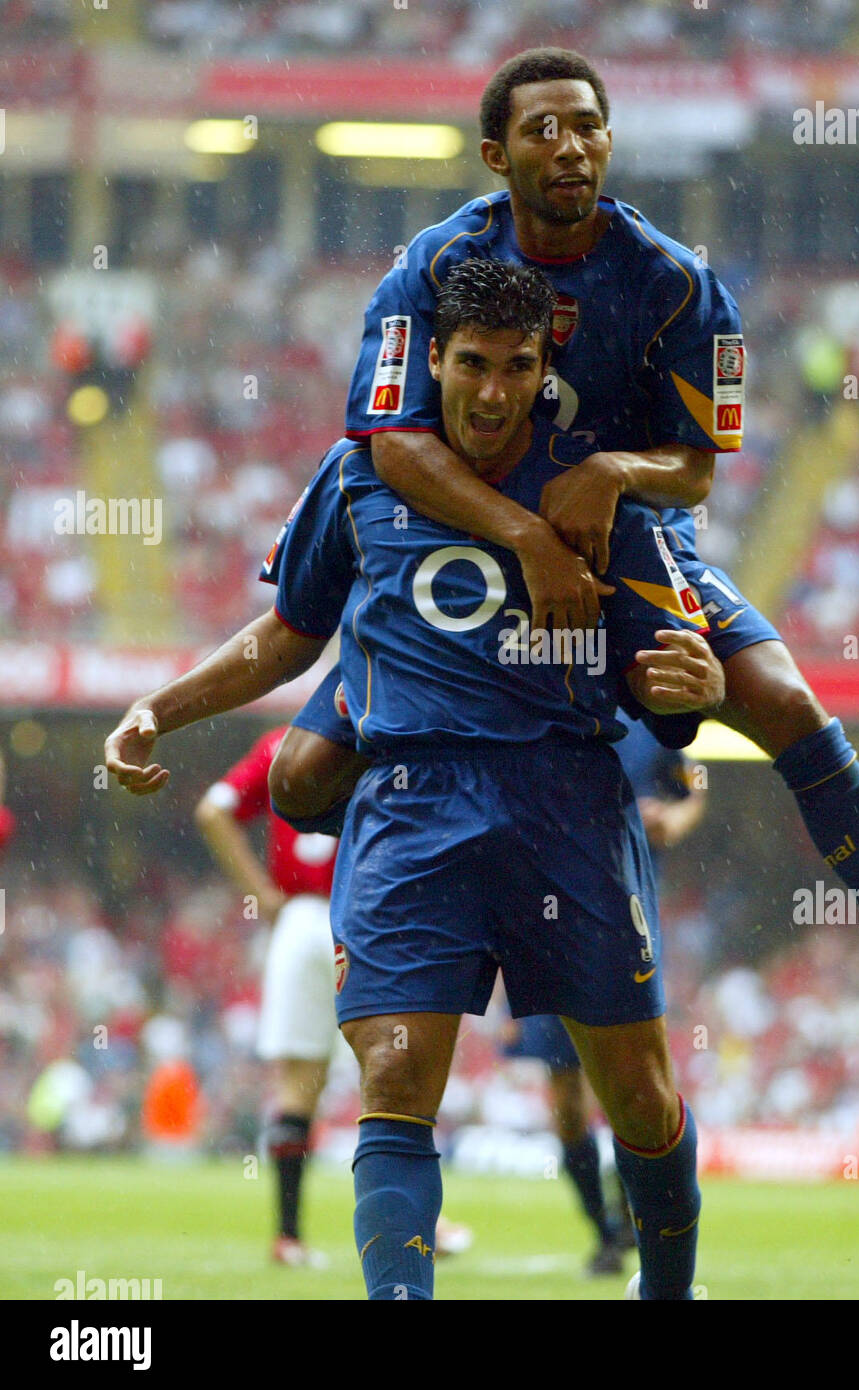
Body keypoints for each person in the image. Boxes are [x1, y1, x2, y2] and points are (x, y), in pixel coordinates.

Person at [273, 45, 859, 1067]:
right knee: (300, 777)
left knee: (789, 704)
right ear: (497, 153)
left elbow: (695, 469)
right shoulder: (431, 264)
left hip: (620, 547)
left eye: (586, 124)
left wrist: (611, 473)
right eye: (542, 128)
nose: (569, 145)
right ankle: (419, 847)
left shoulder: (671, 282)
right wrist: (526, 535)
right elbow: (388, 440)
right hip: (448, 559)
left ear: (608, 140)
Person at [105, 259, 728, 1300]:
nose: (491, 391)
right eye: (471, 364)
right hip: (408, 803)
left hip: (566, 801)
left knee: (637, 1091)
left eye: (516, 367)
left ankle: (664, 1289)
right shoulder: (359, 476)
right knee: (394, 1080)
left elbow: (673, 674)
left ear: (544, 370)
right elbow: (284, 636)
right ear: (429, 359)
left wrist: (696, 679)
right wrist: (157, 708)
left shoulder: (597, 491)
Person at [502, 720, 708, 1278]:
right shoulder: (535, 712)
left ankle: (637, 1221)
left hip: (620, 917)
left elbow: (695, 786)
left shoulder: (650, 725)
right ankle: (606, 1228)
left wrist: (674, 818)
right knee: (564, 1096)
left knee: (631, 1086)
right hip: (537, 921)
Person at [195, 729, 340, 1268]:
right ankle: (417, 1226)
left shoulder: (282, 742)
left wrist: (261, 895)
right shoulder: (387, 725)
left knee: (297, 1087)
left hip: (298, 921)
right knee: (390, 1078)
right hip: (365, 917)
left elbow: (213, 810)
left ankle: (288, 1237)